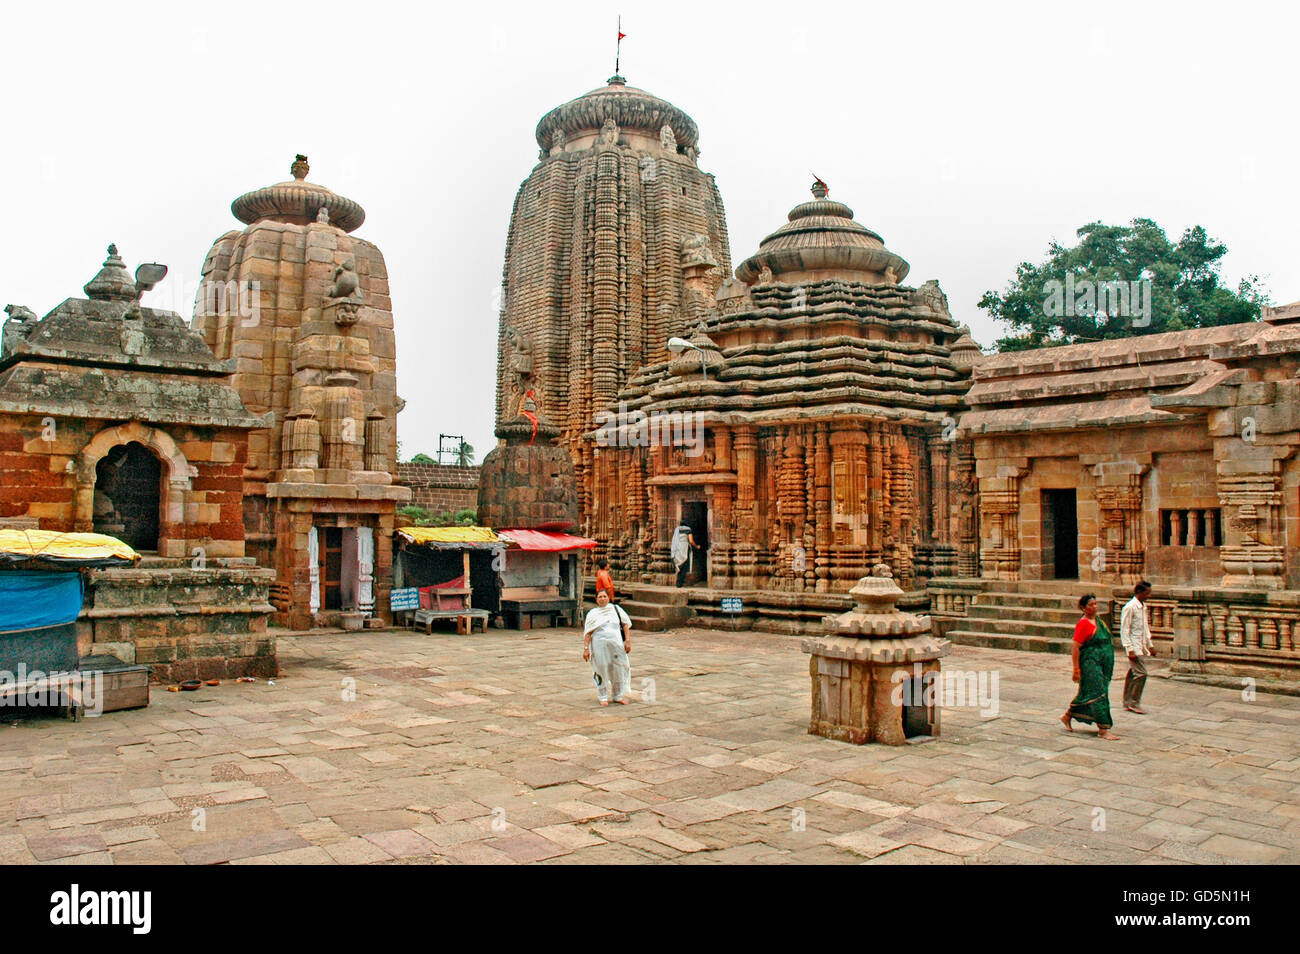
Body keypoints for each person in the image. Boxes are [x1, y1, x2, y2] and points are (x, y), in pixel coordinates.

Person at [1061, 593, 1119, 740]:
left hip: (1102, 662)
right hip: (1090, 663)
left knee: (1090, 693)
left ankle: (1068, 715)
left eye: (1095, 604)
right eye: (1091, 605)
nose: (1095, 607)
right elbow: (1076, 647)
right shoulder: (1084, 624)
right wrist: (1076, 669)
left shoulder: (1098, 621)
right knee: (1099, 693)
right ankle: (1103, 729)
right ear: (1083, 607)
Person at [583, 588, 632, 706]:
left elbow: (625, 625)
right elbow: (588, 632)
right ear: (596, 599)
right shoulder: (593, 614)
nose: (602, 599)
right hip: (599, 645)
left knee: (618, 668)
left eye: (604, 596)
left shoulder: (616, 610)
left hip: (616, 645)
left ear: (608, 598)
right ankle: (603, 696)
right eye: (600, 597)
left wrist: (628, 641)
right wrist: (586, 649)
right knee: (601, 668)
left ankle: (618, 695)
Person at [1120, 580, 1154, 714]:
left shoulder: (1142, 607)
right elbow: (1125, 629)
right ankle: (1134, 702)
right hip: (1134, 645)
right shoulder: (1130, 607)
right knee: (1141, 673)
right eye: (1146, 593)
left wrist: (1149, 645)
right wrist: (1129, 649)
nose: (1148, 596)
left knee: (1133, 673)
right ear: (1139, 592)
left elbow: (1144, 627)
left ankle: (1128, 701)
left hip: (1140, 644)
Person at [670, 523, 700, 588]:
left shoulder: (677, 529)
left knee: (680, 565)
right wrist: (697, 546)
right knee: (685, 565)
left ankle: (679, 582)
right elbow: (691, 541)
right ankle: (680, 583)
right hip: (685, 547)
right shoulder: (688, 529)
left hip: (678, 548)